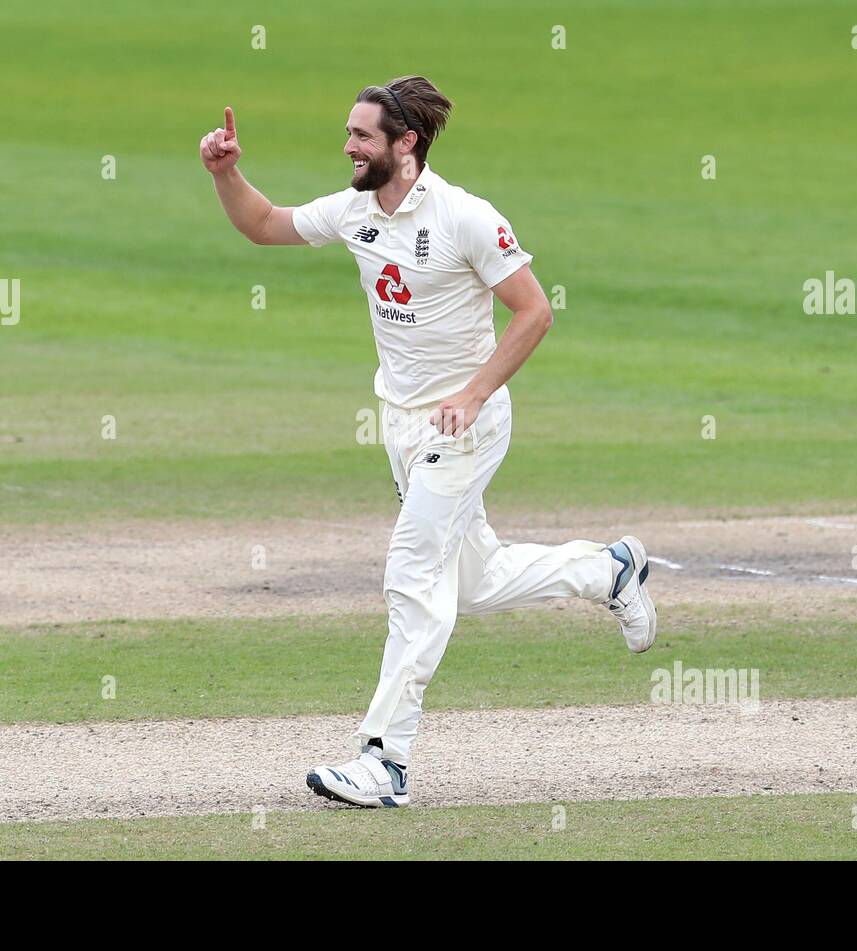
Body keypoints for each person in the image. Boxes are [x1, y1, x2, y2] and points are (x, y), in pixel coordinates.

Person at [199, 76, 655, 808]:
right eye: (348, 132)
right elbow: (263, 224)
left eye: (362, 135)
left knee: (413, 575)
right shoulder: (354, 211)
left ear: (405, 143)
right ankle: (609, 571)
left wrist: (473, 394)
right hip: (403, 424)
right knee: (472, 579)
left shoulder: (464, 217)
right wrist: (226, 175)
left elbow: (534, 312)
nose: (347, 145)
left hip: (465, 425)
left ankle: (385, 759)